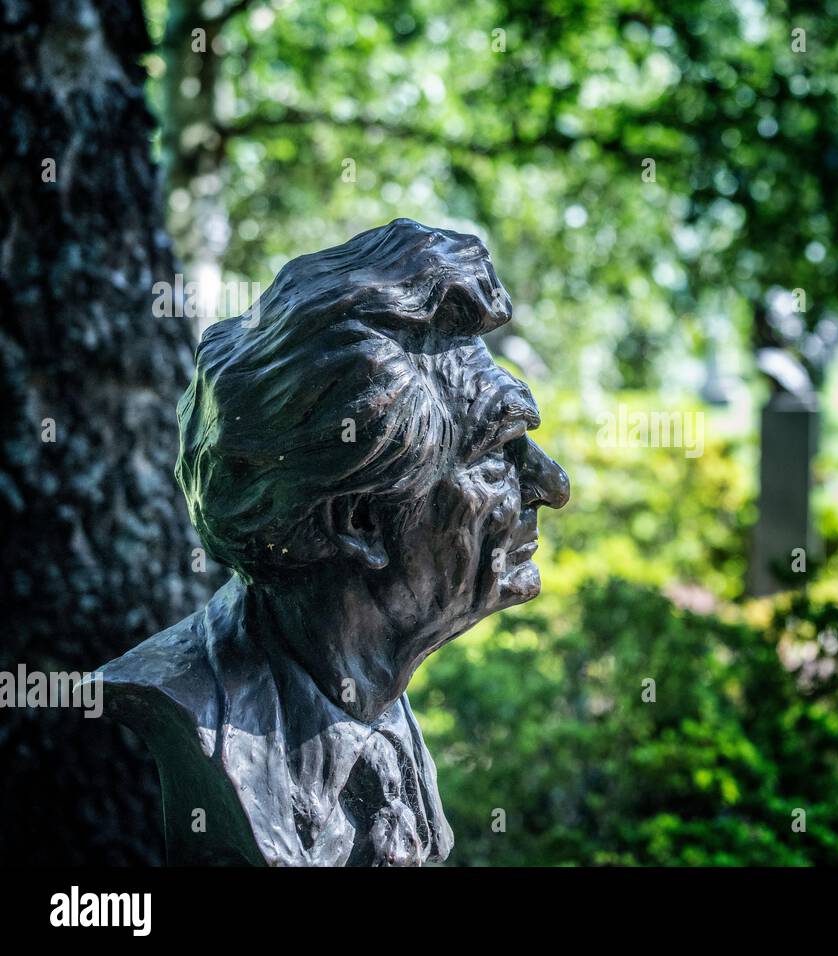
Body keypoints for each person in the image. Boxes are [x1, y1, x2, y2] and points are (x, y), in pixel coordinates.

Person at [90, 220, 569, 865]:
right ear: (360, 521)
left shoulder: (371, 681)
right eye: (496, 455)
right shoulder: (189, 709)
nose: (550, 485)